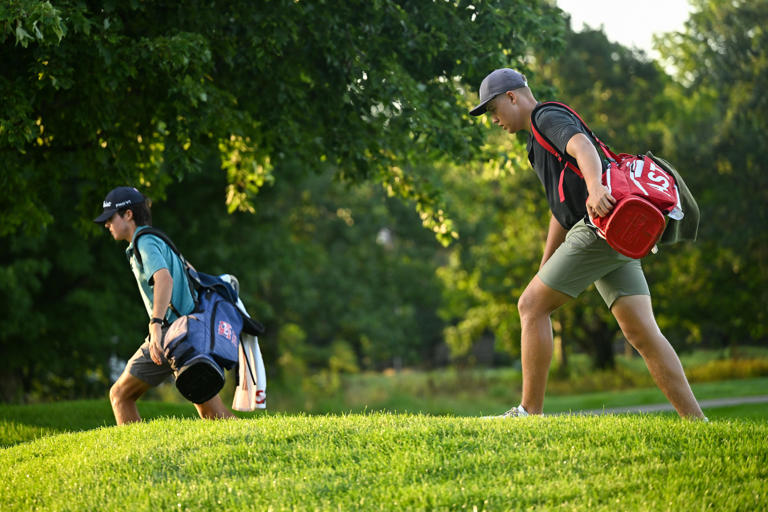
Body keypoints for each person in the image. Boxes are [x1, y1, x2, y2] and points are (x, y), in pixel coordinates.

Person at [469, 68, 706, 419]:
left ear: (512, 97)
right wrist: (546, 264)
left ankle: (528, 414)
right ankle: (697, 422)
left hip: (599, 225)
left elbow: (582, 146)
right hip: (614, 232)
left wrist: (596, 189)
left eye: (492, 110)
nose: (494, 119)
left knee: (531, 307)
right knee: (642, 332)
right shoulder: (536, 143)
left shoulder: (545, 116)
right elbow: (560, 212)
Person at [94, 186, 236, 425]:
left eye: (110, 218)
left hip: (171, 333)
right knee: (213, 414)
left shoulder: (144, 242)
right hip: (188, 334)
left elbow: (163, 278)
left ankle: (134, 457)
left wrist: (155, 324)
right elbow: (189, 272)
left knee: (120, 396)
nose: (107, 224)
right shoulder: (159, 239)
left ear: (128, 214)